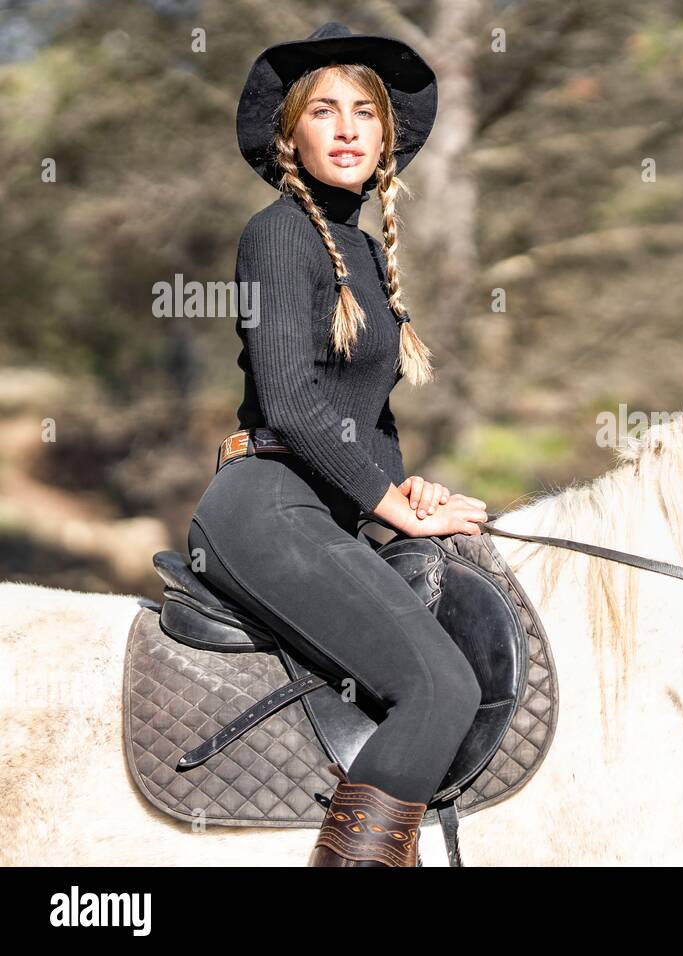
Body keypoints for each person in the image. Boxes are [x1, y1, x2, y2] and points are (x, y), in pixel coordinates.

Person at [187, 21, 486, 867]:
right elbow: (291, 401)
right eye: (324, 111)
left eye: (366, 112)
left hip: (321, 514)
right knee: (438, 686)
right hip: (263, 509)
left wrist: (404, 489)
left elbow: (357, 418)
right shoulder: (278, 234)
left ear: (387, 136)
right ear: (291, 134)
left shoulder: (360, 250)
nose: (349, 128)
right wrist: (386, 502)